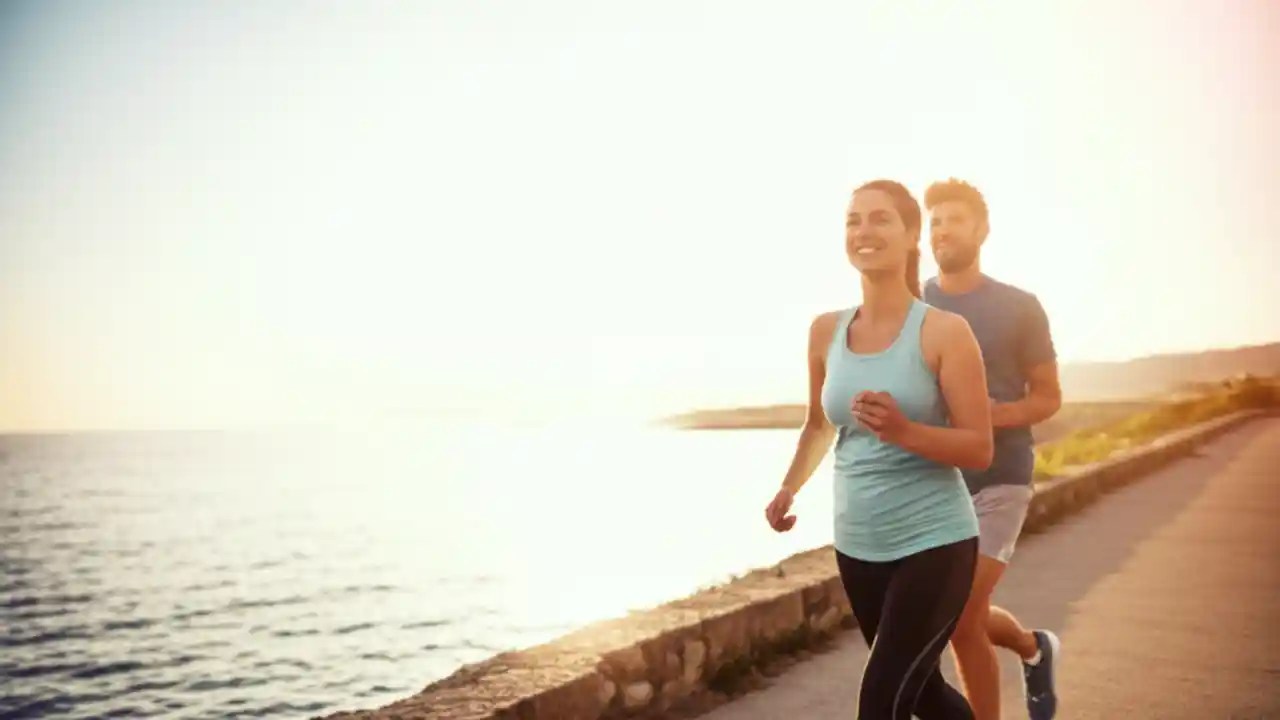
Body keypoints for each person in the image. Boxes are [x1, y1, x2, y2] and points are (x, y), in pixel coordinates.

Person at [764, 179, 994, 720]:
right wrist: (788, 487)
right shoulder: (825, 331)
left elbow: (980, 448)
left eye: (881, 219)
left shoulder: (944, 332)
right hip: (859, 546)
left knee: (881, 705)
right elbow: (818, 426)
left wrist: (904, 429)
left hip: (935, 543)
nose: (864, 231)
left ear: (913, 234)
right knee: (924, 696)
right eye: (853, 220)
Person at [922, 178, 1063, 720]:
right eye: (934, 222)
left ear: (982, 229)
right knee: (966, 612)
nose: (943, 231)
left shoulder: (1019, 307)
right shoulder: (914, 304)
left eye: (955, 220)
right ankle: (1032, 647)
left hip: (1000, 476)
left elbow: (1048, 397)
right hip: (934, 482)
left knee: (957, 617)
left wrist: (989, 416)